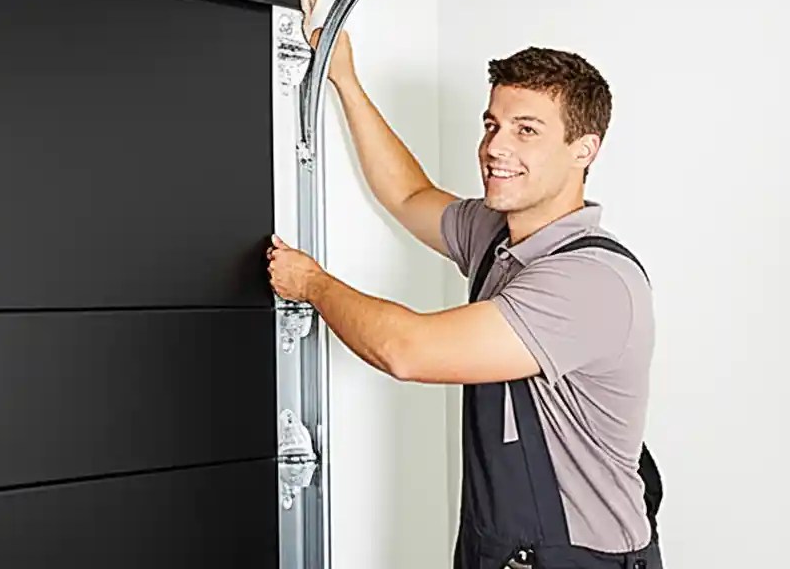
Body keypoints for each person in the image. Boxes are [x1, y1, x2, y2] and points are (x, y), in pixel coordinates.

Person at [267, 28, 662, 569]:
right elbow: (410, 195)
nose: (496, 147)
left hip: (578, 559)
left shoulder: (588, 282)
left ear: (584, 149)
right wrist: (345, 79)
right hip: (497, 548)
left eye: (527, 131)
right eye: (493, 124)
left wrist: (310, 283)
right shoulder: (497, 234)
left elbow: (406, 350)